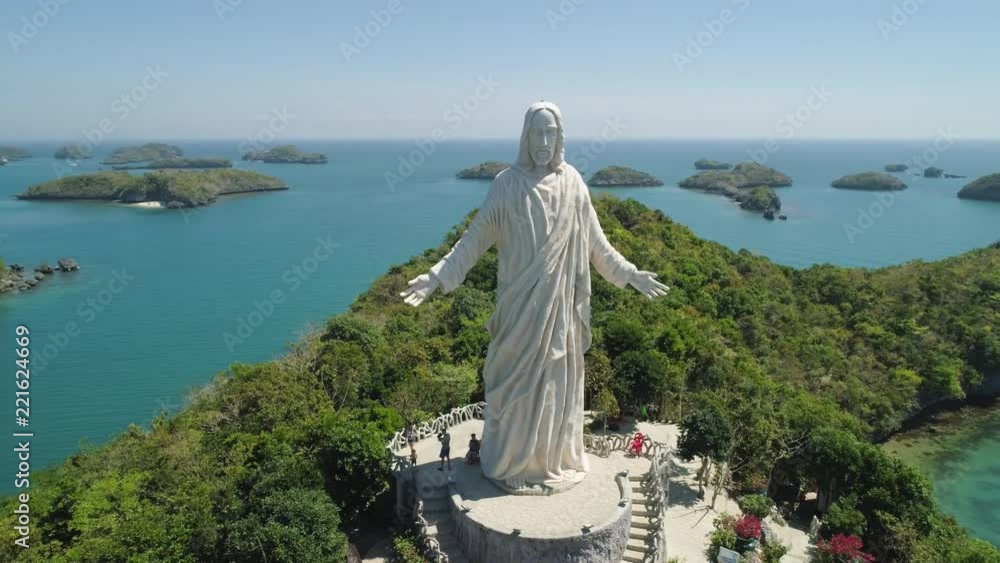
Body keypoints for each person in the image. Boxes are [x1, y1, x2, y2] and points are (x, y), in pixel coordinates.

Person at [400, 102, 670, 491]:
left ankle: (550, 461)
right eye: (536, 133)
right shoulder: (506, 185)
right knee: (512, 389)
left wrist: (629, 274)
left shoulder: (573, 184)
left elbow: (597, 245)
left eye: (550, 133)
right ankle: (510, 462)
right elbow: (473, 239)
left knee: (555, 389)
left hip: (559, 314)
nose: (543, 141)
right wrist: (437, 275)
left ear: (560, 138)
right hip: (518, 313)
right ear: (525, 138)